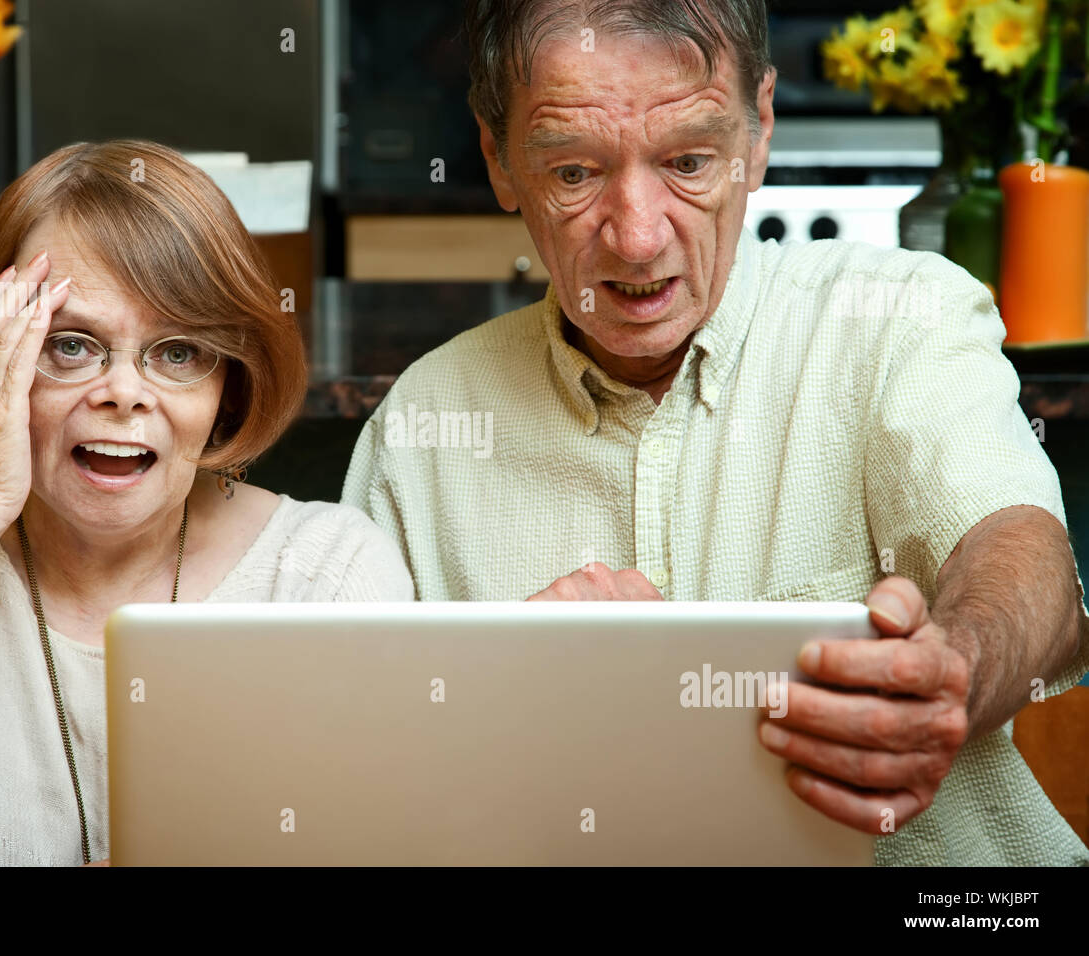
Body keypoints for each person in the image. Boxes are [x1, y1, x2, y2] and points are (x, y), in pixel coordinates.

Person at [342, 0, 1089, 865]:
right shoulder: (422, 430)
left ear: (759, 128)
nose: (637, 237)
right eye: (575, 173)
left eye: (689, 161)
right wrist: (497, 694)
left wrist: (956, 668)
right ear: (497, 158)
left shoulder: (899, 317)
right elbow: (359, 784)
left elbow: (1019, 548)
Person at [0, 139, 413, 866]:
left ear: (229, 387)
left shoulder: (328, 576)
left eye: (178, 351)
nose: (123, 392)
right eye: (71, 345)